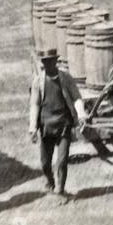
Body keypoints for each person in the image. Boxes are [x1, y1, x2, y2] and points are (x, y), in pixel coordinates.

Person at [29, 49, 83, 197]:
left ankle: (60, 189)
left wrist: (81, 114)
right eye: (46, 62)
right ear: (43, 63)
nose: (49, 64)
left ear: (56, 61)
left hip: (64, 125)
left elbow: (77, 97)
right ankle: (50, 182)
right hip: (46, 127)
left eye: (51, 61)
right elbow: (34, 104)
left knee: (62, 160)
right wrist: (33, 127)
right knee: (45, 163)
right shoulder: (38, 82)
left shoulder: (65, 78)